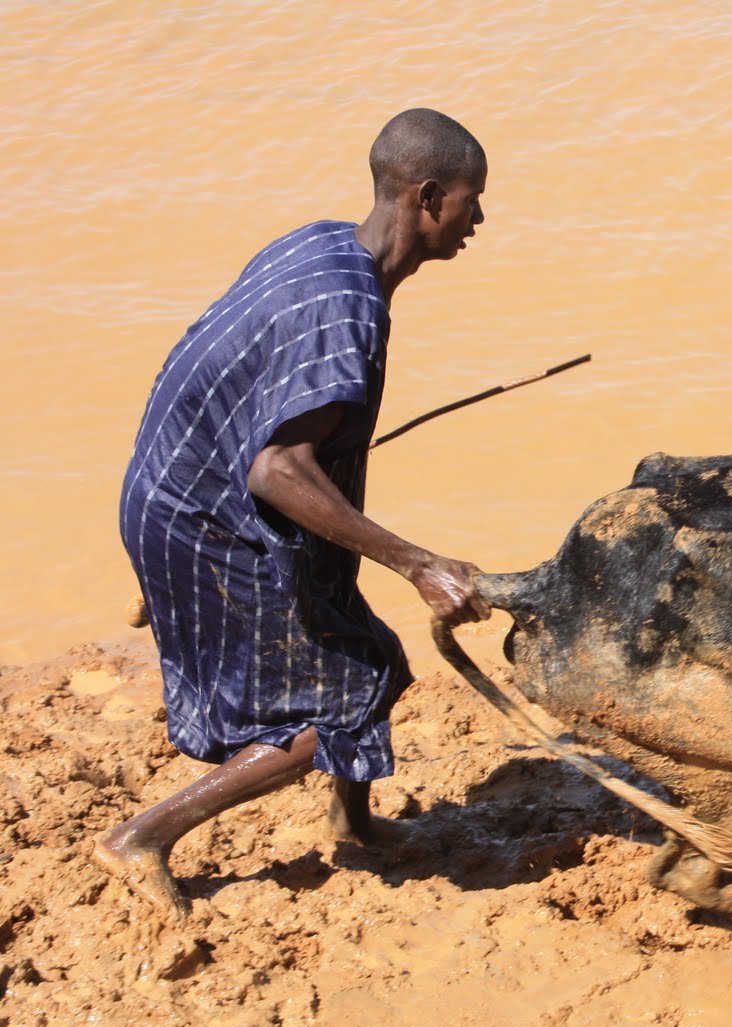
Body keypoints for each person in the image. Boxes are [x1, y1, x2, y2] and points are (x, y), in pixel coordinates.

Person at [95, 108, 493, 918]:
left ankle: (352, 826)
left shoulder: (321, 246)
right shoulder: (344, 312)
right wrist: (420, 563)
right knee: (329, 716)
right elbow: (278, 469)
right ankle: (142, 836)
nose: (478, 218)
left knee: (367, 655)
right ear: (425, 197)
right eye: (470, 199)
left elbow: (214, 365)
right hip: (211, 520)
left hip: (180, 482)